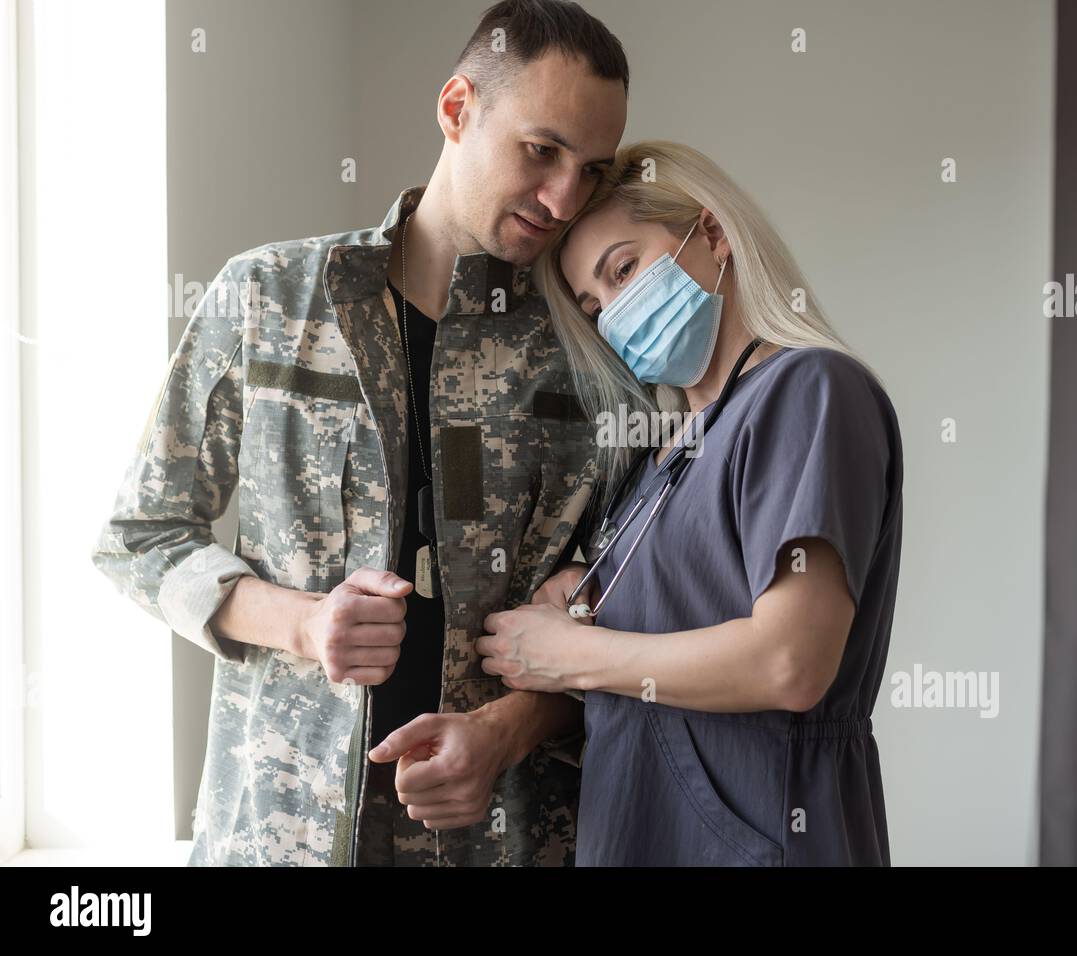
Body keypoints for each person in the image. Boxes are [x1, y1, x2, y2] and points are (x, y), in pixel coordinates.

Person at [91, 0, 625, 866]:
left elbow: (626, 624)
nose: (565, 198)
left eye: (591, 170)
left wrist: (507, 730)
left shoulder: (588, 355)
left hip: (503, 838)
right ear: (457, 109)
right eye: (541, 150)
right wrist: (302, 624)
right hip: (278, 833)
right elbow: (138, 537)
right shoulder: (265, 298)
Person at [470, 141, 904, 865]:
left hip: (763, 829)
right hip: (638, 829)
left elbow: (791, 662)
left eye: (624, 269)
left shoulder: (808, 392)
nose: (614, 313)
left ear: (711, 234)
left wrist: (572, 654)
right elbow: (690, 604)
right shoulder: (664, 453)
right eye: (593, 304)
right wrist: (589, 595)